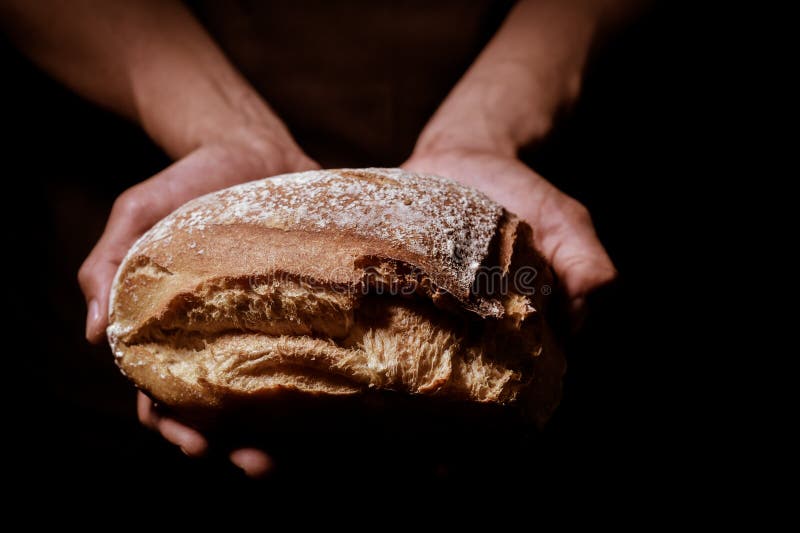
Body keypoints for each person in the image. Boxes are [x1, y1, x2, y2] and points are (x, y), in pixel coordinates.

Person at [2, 0, 625, 477]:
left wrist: (487, 125)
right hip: (135, 207)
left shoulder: (508, 268)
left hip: (478, 240)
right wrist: (225, 131)